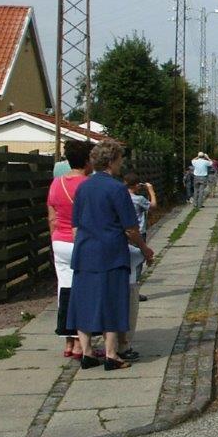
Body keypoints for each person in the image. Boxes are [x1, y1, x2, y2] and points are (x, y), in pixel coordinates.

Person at [66, 140, 154, 371]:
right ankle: (111, 354)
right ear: (112, 160)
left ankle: (86, 353)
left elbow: (75, 225)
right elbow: (130, 228)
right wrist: (144, 249)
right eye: (120, 160)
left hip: (85, 250)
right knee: (112, 300)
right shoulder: (117, 189)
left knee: (84, 299)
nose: (121, 164)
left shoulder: (83, 187)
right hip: (111, 252)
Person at [46, 140, 94, 358]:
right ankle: (79, 343)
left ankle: (67, 340)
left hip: (59, 241)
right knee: (82, 291)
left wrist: (53, 242)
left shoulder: (56, 183)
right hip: (80, 241)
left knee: (64, 290)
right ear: (87, 161)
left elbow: (52, 216)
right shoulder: (87, 185)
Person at [124, 173, 157, 303]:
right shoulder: (139, 199)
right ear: (137, 185)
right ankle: (133, 290)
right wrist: (151, 191)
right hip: (138, 231)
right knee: (137, 260)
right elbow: (153, 206)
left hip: (124, 232)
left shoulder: (122, 197)